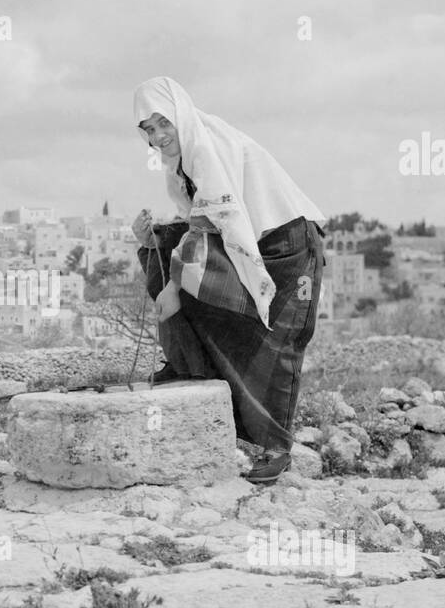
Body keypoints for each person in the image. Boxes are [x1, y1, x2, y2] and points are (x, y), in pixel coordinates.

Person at [131, 76, 327, 483]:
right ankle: (187, 364)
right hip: (248, 244)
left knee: (274, 344)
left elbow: (214, 220)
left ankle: (276, 448)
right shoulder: (179, 164)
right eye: (148, 129)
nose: (158, 135)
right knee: (162, 247)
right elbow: (193, 223)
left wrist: (175, 287)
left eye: (162, 122)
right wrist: (148, 240)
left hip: (287, 248)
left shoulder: (206, 146)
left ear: (180, 115)